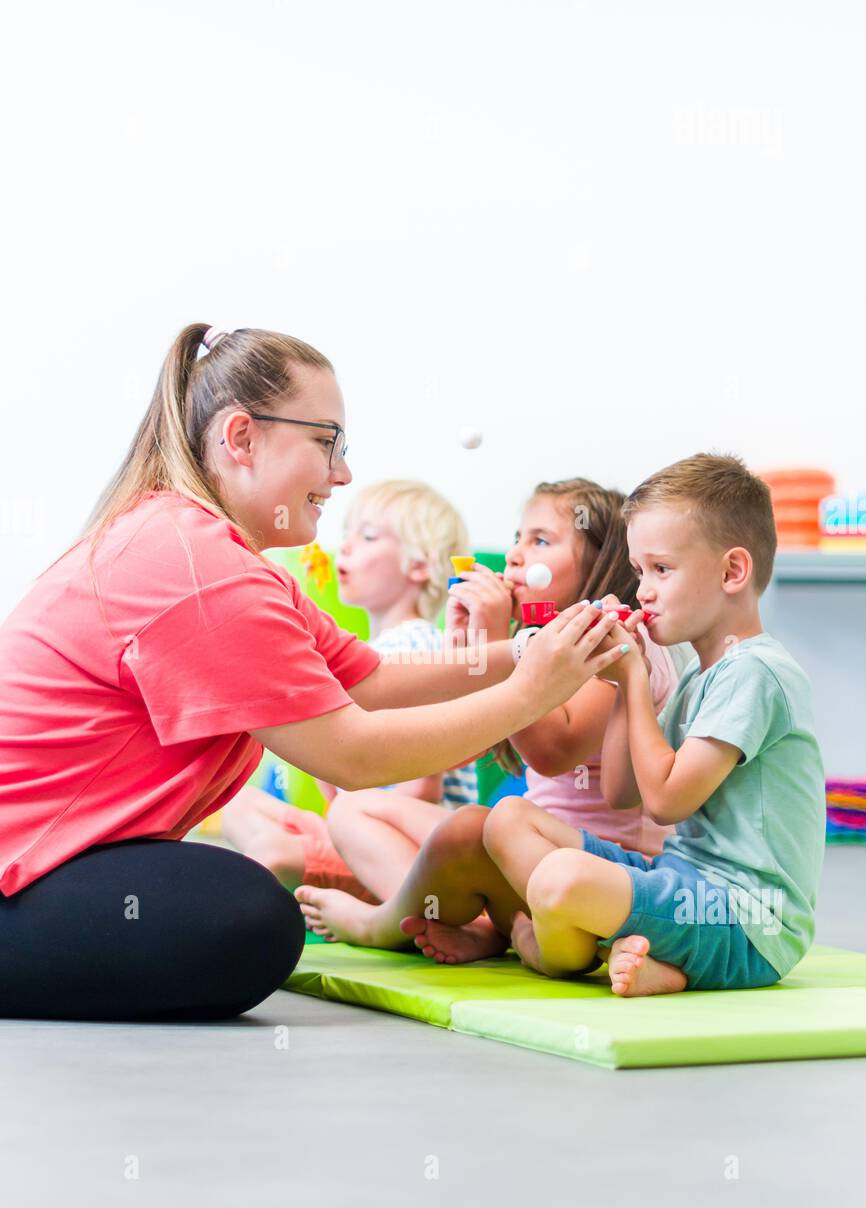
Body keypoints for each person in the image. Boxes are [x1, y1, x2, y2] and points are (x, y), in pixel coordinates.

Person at [0, 322, 628, 1021]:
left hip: (47, 860)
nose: (343, 473)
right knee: (253, 921)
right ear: (240, 438)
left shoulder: (218, 554)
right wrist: (528, 693)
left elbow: (370, 680)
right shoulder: (195, 567)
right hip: (22, 869)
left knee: (244, 907)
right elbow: (353, 753)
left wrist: (524, 653)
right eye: (326, 443)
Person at [403, 454, 826, 998]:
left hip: (746, 922)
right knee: (507, 818)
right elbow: (621, 791)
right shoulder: (698, 667)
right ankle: (603, 948)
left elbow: (666, 801)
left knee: (559, 879)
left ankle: (564, 950)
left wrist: (629, 668)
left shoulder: (755, 672)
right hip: (682, 882)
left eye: (661, 570)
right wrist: (630, 682)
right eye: (640, 570)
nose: (643, 590)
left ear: (731, 572)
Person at [296, 476, 679, 949]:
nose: (516, 555)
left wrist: (499, 642)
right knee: (354, 811)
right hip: (525, 852)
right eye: (518, 538)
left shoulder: (618, 639)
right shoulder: (543, 644)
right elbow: (463, 748)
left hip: (604, 872)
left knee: (468, 827)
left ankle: (386, 923)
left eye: (540, 540)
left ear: (603, 563)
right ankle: (486, 928)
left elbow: (553, 753)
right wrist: (472, 650)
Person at [220, 479, 480, 896]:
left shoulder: (417, 647)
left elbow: (422, 789)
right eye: (347, 535)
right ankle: (327, 874)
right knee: (239, 807)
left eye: (369, 536)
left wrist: (346, 823)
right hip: (359, 831)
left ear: (420, 566)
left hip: (413, 847)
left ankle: (355, 885)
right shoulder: (373, 654)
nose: (347, 547)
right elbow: (337, 772)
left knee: (275, 852)